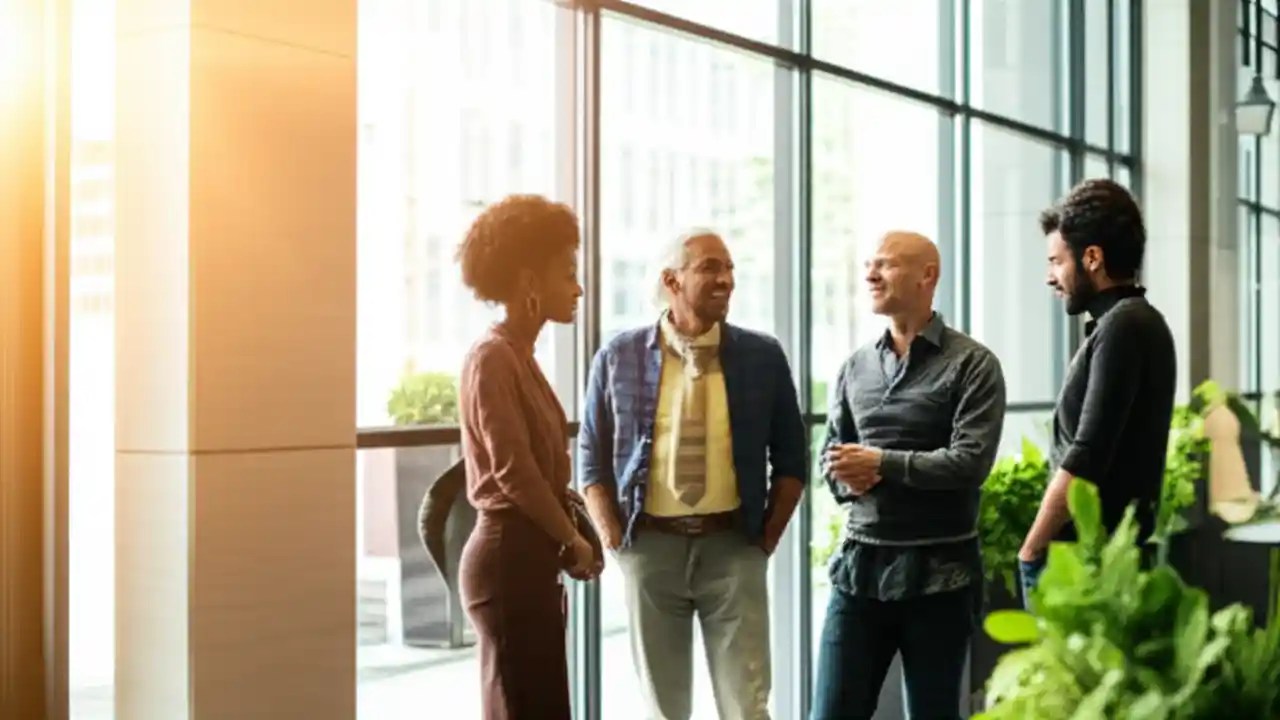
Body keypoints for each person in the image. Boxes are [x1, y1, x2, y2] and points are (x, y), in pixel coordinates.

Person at [578, 230, 807, 720]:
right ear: (671, 280)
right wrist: (613, 536)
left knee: (747, 704)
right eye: (710, 268)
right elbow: (591, 456)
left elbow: (792, 459)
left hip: (733, 547)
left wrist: (764, 539)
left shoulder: (762, 357)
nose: (725, 279)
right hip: (650, 549)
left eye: (729, 269)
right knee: (665, 708)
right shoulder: (618, 357)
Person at [811, 231, 1006, 720]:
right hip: (859, 570)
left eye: (886, 264)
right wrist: (843, 477)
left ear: (928, 276)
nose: (870, 274)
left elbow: (970, 463)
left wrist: (880, 463)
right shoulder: (854, 367)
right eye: (868, 264)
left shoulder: (973, 364)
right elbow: (829, 458)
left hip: (942, 574)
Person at [455, 194, 601, 720]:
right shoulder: (492, 357)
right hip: (506, 559)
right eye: (566, 273)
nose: (578, 287)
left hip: (527, 557)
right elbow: (514, 471)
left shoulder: (519, 355)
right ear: (528, 282)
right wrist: (572, 540)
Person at [1018, 179, 1176, 600]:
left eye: (1056, 261)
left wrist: (1033, 547)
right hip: (1110, 558)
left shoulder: (1123, 326)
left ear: (1092, 258)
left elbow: (1086, 454)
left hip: (1093, 566)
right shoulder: (1137, 322)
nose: (1051, 277)